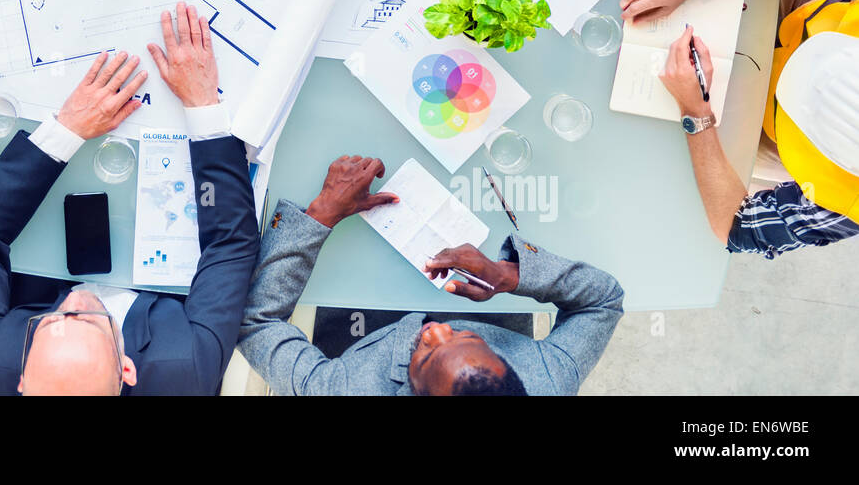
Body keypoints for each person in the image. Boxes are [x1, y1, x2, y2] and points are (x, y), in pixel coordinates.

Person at [0, 2, 259, 395]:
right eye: (91, 321)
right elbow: (231, 244)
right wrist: (204, 108)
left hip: (46, 244)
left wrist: (66, 129)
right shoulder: (184, 371)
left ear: (22, 381)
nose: (78, 299)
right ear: (126, 370)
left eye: (52, 322)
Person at [236, 155, 624, 395]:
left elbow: (257, 322)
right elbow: (602, 301)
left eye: (425, 358)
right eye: (464, 337)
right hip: (483, 299)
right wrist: (509, 276)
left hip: (359, 315)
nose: (436, 329)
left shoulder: (345, 390)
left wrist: (321, 214)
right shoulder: (549, 380)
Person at [622, 0, 859, 257]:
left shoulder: (843, 206)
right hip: (805, 12)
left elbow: (737, 227)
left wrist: (696, 115)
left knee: (651, 148)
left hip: (777, 133)